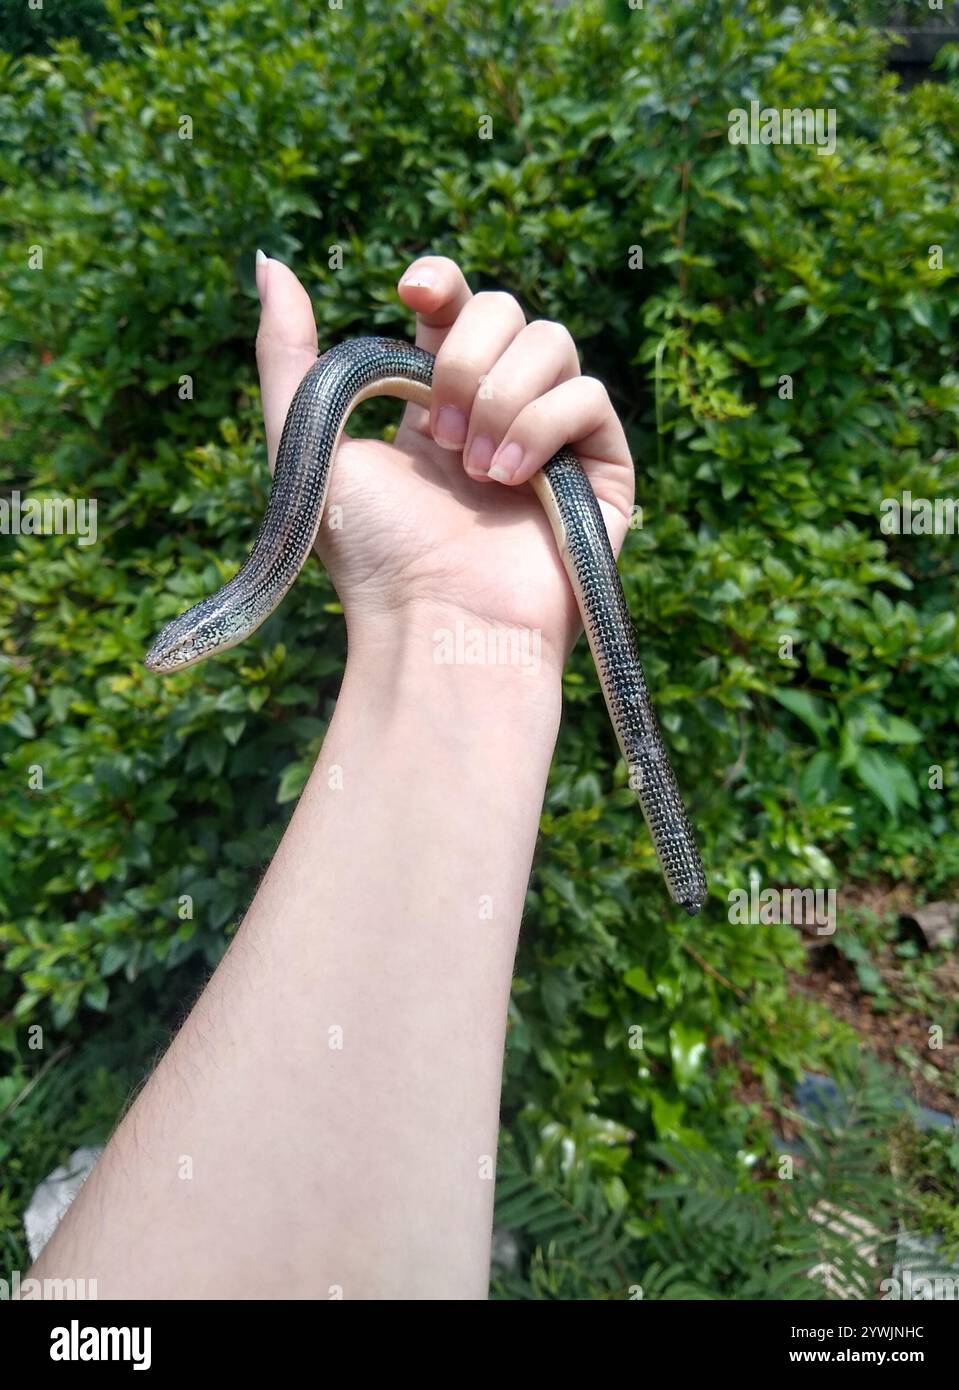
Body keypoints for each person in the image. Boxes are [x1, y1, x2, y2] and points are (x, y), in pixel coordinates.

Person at [32, 255, 635, 1299]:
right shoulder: (278, 562)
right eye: (182, 645)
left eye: (183, 645)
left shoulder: (283, 539)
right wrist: (442, 627)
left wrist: (469, 640)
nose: (177, 654)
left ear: (213, 627)